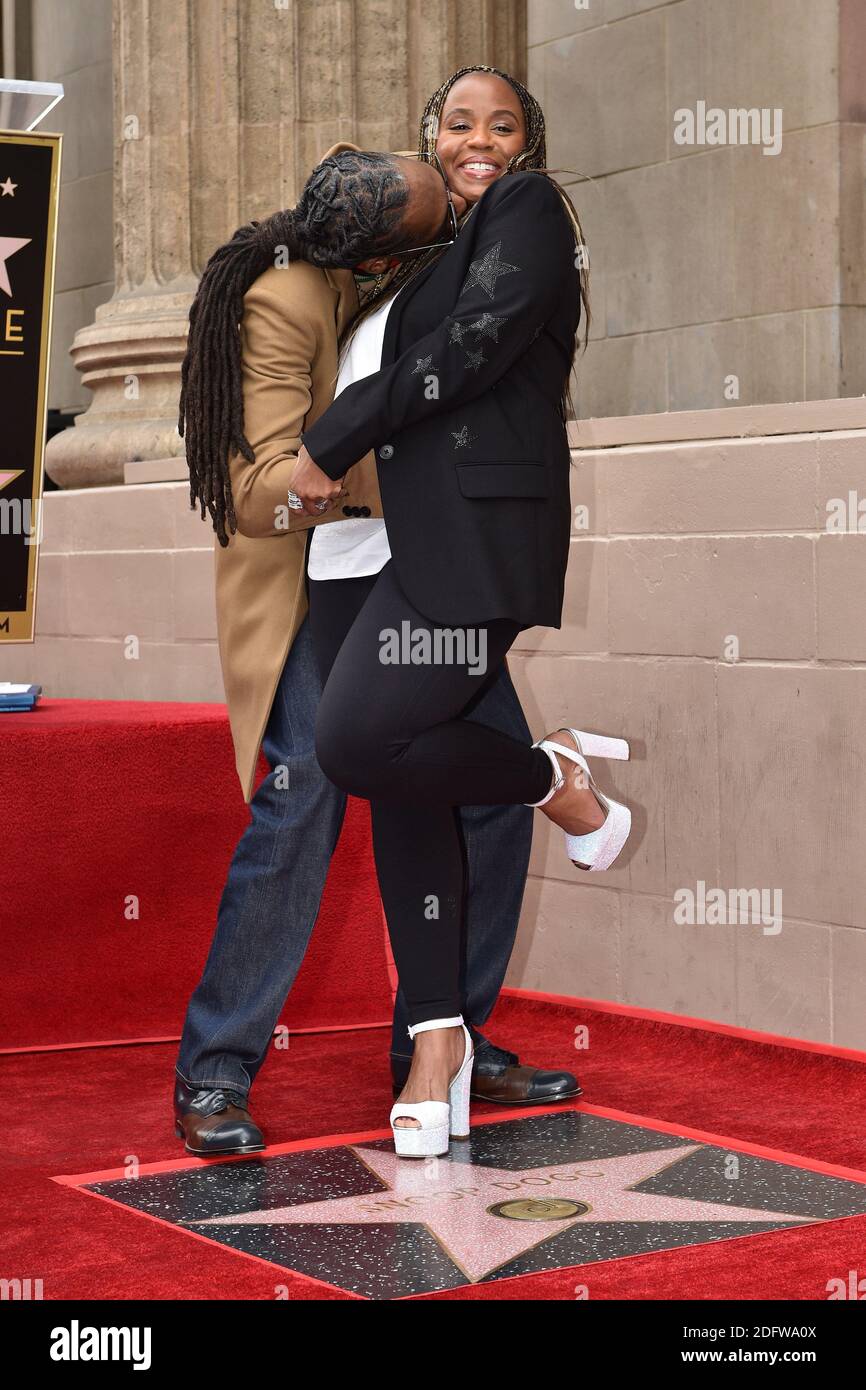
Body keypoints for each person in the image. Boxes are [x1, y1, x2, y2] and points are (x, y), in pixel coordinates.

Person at [172, 138, 580, 1158]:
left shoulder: (437, 267)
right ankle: (216, 1067)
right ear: (375, 252)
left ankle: (443, 1036)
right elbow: (263, 483)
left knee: (482, 807)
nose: (453, 199)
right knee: (306, 792)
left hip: (431, 588)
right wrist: (382, 467)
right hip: (326, 595)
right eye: (435, 197)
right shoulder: (283, 299)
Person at [289, 67, 632, 1158]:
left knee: (356, 741)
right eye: (456, 122)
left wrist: (334, 433)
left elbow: (473, 349)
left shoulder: (525, 216)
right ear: (425, 138)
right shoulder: (414, 258)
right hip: (360, 557)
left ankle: (552, 779)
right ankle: (436, 1040)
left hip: (463, 548)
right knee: (399, 784)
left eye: (501, 125)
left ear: (525, 145)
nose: (477, 140)